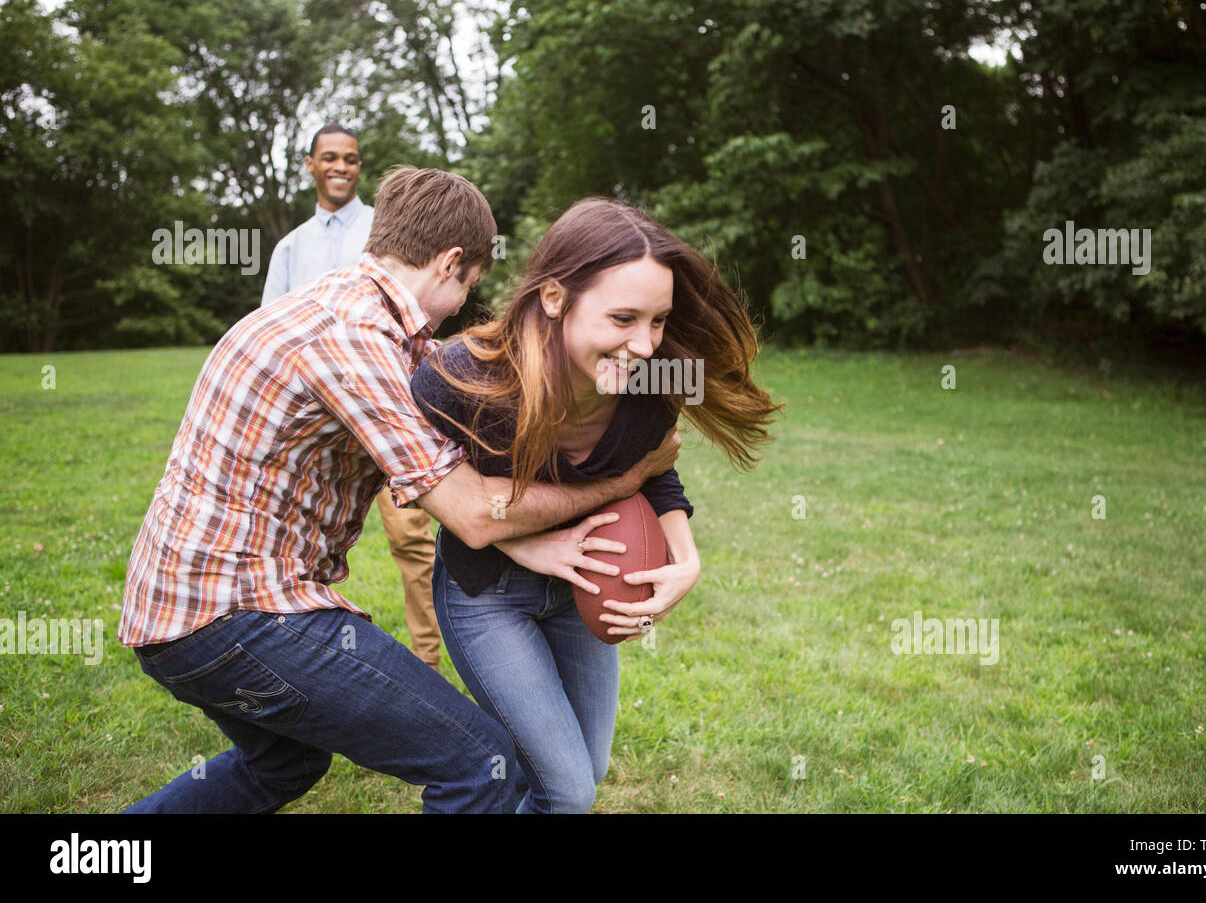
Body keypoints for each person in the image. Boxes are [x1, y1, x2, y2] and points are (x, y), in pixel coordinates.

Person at [119, 169, 681, 813]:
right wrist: (627, 480)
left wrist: (528, 544)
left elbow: (434, 478)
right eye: (470, 284)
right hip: (239, 614)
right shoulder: (355, 340)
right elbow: (471, 512)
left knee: (281, 766)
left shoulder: (350, 314)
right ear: (449, 264)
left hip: (178, 611)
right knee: (483, 765)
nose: (467, 302)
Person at [413, 197, 783, 813]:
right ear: (555, 297)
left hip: (583, 586)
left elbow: (657, 470)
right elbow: (418, 487)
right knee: (568, 791)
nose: (644, 345)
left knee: (588, 767)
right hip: (487, 595)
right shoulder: (461, 381)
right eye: (622, 318)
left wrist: (686, 560)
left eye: (658, 321)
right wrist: (525, 542)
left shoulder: (652, 383)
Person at [261, 122, 446, 670]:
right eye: (331, 158)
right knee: (291, 546)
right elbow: (271, 330)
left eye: (352, 159)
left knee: (414, 543)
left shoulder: (384, 232)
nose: (342, 167)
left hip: (386, 408)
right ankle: (292, 661)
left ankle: (427, 664)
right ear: (311, 165)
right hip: (315, 429)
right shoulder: (291, 247)